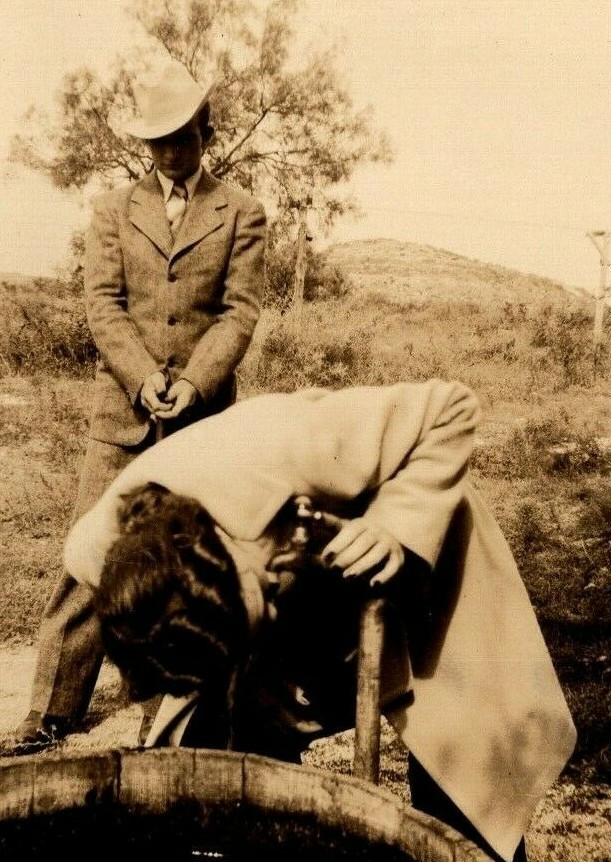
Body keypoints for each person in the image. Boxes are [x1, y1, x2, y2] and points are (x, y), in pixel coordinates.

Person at [63, 379, 577, 862]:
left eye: (261, 587)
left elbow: (449, 406)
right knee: (218, 765)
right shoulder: (100, 554)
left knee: (463, 774)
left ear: (228, 542)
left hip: (427, 554)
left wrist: (393, 528)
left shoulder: (287, 441)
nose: (265, 593)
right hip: (309, 581)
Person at [14, 57, 267, 751]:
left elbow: (239, 313)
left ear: (206, 133)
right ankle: (51, 710)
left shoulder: (242, 211)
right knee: (86, 556)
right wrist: (138, 378)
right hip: (121, 417)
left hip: (202, 421)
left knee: (192, 567)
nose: (169, 152)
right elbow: (103, 305)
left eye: (181, 137)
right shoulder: (112, 210)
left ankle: (179, 719)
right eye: (156, 141)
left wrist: (193, 384)